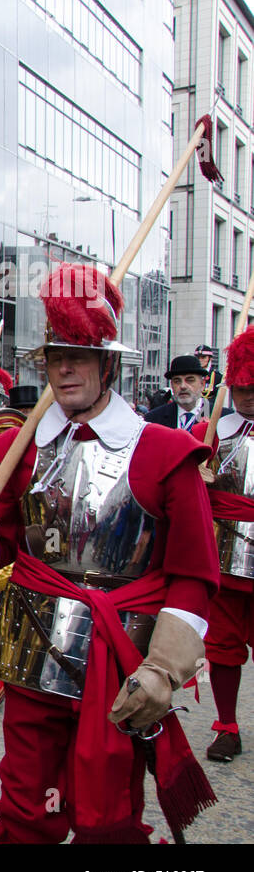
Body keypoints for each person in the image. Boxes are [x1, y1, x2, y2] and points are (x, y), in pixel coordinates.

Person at [0, 264, 217, 843]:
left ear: (109, 364)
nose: (64, 368)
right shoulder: (18, 453)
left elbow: (195, 577)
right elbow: (7, 551)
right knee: (26, 814)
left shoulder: (167, 454)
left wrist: (164, 668)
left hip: (120, 668)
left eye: (79, 355)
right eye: (54, 355)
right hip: (31, 655)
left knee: (110, 823)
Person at [190, 326, 254, 763]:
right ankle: (227, 726)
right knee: (223, 646)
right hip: (225, 558)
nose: (246, 396)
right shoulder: (210, 431)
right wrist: (197, 474)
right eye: (240, 388)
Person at [145, 354, 216, 430]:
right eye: (177, 381)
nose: (183, 386)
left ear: (202, 384)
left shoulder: (220, 417)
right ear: (171, 385)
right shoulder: (153, 420)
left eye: (190, 380)